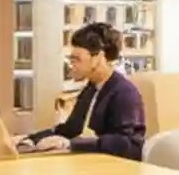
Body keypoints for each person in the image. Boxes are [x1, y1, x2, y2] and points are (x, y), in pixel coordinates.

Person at [22, 22, 146, 160]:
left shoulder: (124, 93)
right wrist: (29, 140)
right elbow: (70, 129)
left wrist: (71, 144)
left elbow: (126, 143)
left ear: (98, 58)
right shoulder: (91, 89)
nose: (72, 65)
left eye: (76, 59)